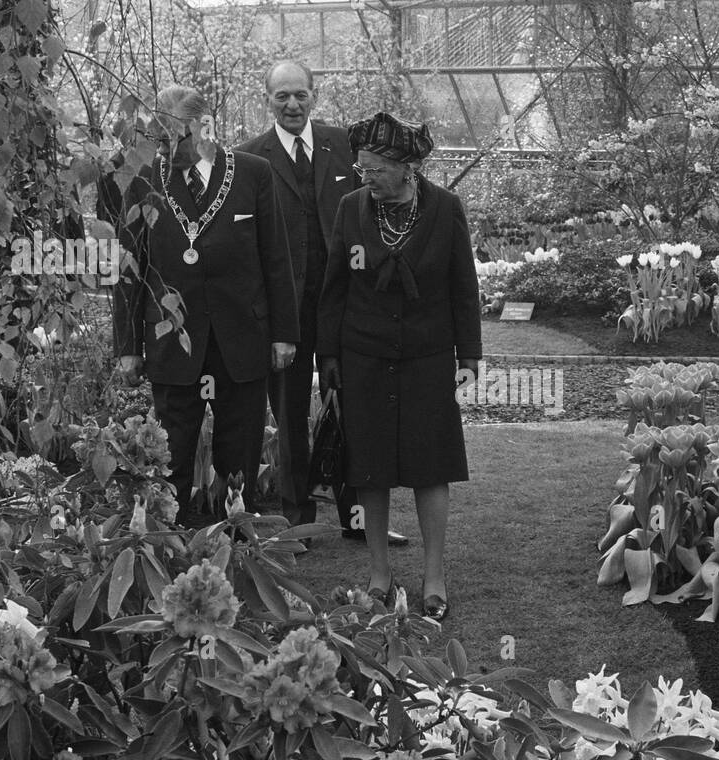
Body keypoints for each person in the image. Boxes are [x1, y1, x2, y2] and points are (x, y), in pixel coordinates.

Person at [318, 112, 482, 620]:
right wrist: (329, 361)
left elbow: (462, 287)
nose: (365, 178)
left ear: (407, 168)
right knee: (370, 467)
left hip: (427, 358)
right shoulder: (351, 209)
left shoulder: (445, 209)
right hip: (362, 356)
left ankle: (434, 577)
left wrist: (469, 356)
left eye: (375, 170)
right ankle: (379, 574)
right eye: (361, 169)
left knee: (431, 467)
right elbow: (333, 290)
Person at [237, 61, 406, 546]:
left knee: (355, 409)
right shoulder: (250, 158)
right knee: (289, 418)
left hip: (346, 309)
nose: (292, 105)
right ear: (266, 98)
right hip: (283, 315)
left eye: (300, 96)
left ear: (315, 96)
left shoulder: (345, 146)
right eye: (281, 97)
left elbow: (374, 217)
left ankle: (359, 516)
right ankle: (297, 522)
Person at [112, 85, 298, 515]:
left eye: (169, 136)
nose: (162, 147)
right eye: (156, 138)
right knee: (169, 456)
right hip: (172, 343)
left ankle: (237, 545)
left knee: (240, 458)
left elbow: (276, 258)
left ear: (201, 125)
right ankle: (171, 548)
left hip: (242, 340)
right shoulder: (141, 179)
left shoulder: (253, 172)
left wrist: (284, 333)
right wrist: (127, 348)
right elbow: (128, 268)